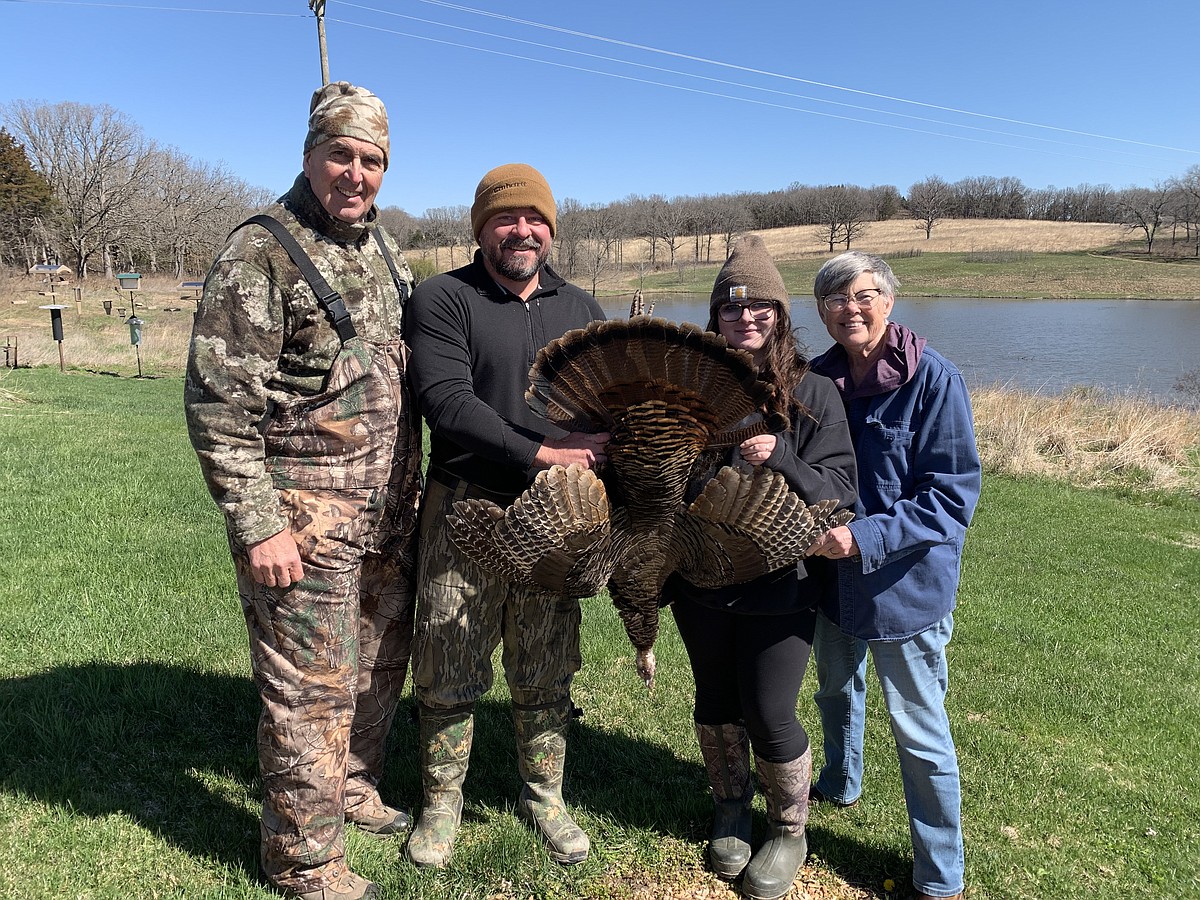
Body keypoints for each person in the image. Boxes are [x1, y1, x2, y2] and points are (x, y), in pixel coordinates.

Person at [185, 82, 420, 900]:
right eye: (342, 155)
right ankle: (303, 860)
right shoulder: (260, 253)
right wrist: (257, 526)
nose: (356, 174)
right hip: (303, 523)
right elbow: (219, 405)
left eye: (372, 160)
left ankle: (351, 789)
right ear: (310, 154)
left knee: (378, 667)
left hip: (390, 513)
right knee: (310, 694)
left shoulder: (386, 253)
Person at [403, 163, 610, 869]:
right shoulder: (442, 298)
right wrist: (546, 451)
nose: (522, 231)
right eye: (505, 219)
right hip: (465, 506)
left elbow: (607, 412)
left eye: (535, 219)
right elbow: (448, 404)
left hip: (557, 517)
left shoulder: (582, 309)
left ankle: (545, 798)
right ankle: (440, 805)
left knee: (546, 662)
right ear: (481, 229)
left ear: (550, 229)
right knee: (447, 658)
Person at [662, 235, 857, 900]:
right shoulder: (690, 389)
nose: (744, 322)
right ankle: (731, 808)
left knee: (770, 711)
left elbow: (841, 492)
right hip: (701, 579)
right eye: (730, 310)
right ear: (714, 317)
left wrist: (780, 456)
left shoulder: (817, 392)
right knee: (715, 701)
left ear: (779, 314)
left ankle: (789, 829)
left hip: (784, 585)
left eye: (759, 310)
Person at [806, 251, 981, 900]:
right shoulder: (815, 378)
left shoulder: (934, 380)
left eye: (864, 295)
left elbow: (952, 495)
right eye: (833, 300)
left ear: (889, 300)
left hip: (902, 591)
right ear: (820, 312)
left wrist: (862, 537)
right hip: (829, 585)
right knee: (833, 693)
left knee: (919, 732)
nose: (849, 309)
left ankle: (940, 878)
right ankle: (840, 782)